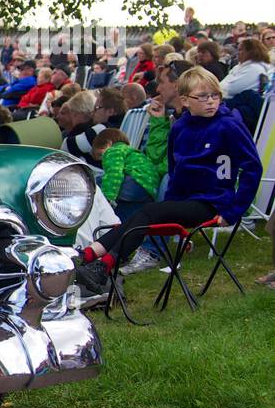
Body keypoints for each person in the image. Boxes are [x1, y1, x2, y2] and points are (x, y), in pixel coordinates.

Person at [75, 67, 261, 293]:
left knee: (149, 212)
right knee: (147, 214)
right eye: (202, 97)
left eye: (215, 95)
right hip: (185, 202)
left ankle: (99, 263)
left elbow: (253, 168)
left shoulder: (229, 125)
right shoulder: (180, 127)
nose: (211, 101)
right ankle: (89, 258)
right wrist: (170, 210)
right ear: (185, 100)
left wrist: (234, 211)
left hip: (215, 203)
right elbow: (176, 172)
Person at [56, 90, 105, 165]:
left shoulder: (80, 129)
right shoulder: (100, 126)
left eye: (73, 113)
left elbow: (64, 151)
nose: (72, 118)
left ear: (80, 113)